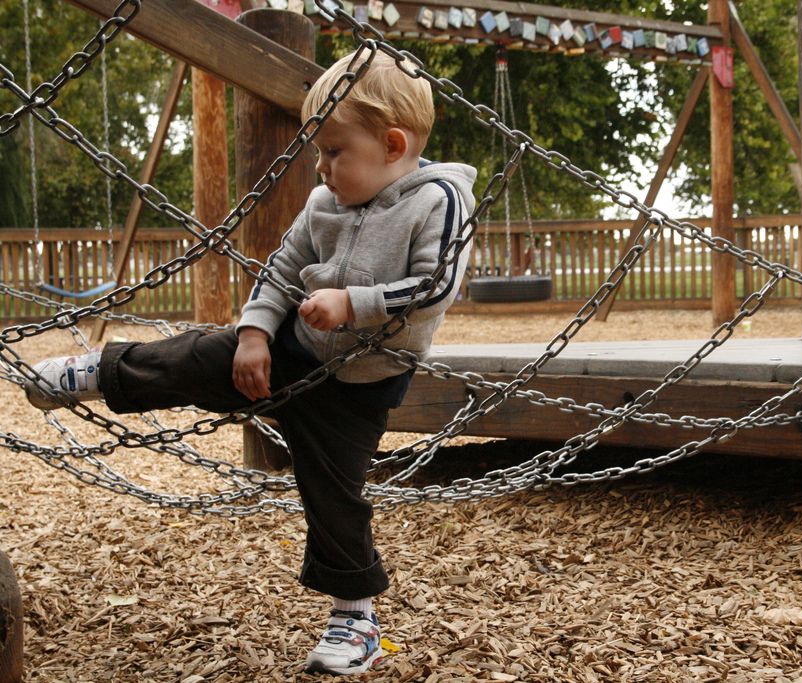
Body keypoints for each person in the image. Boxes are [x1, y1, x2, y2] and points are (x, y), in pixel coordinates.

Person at [24, 49, 477, 676]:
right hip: (292, 351)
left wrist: (355, 303)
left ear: (393, 145)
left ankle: (355, 618)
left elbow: (437, 285)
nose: (322, 166)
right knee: (203, 352)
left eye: (334, 151)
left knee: (335, 493)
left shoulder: (439, 203)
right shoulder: (325, 201)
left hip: (358, 386)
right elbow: (283, 268)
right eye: (319, 151)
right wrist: (256, 333)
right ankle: (99, 373)